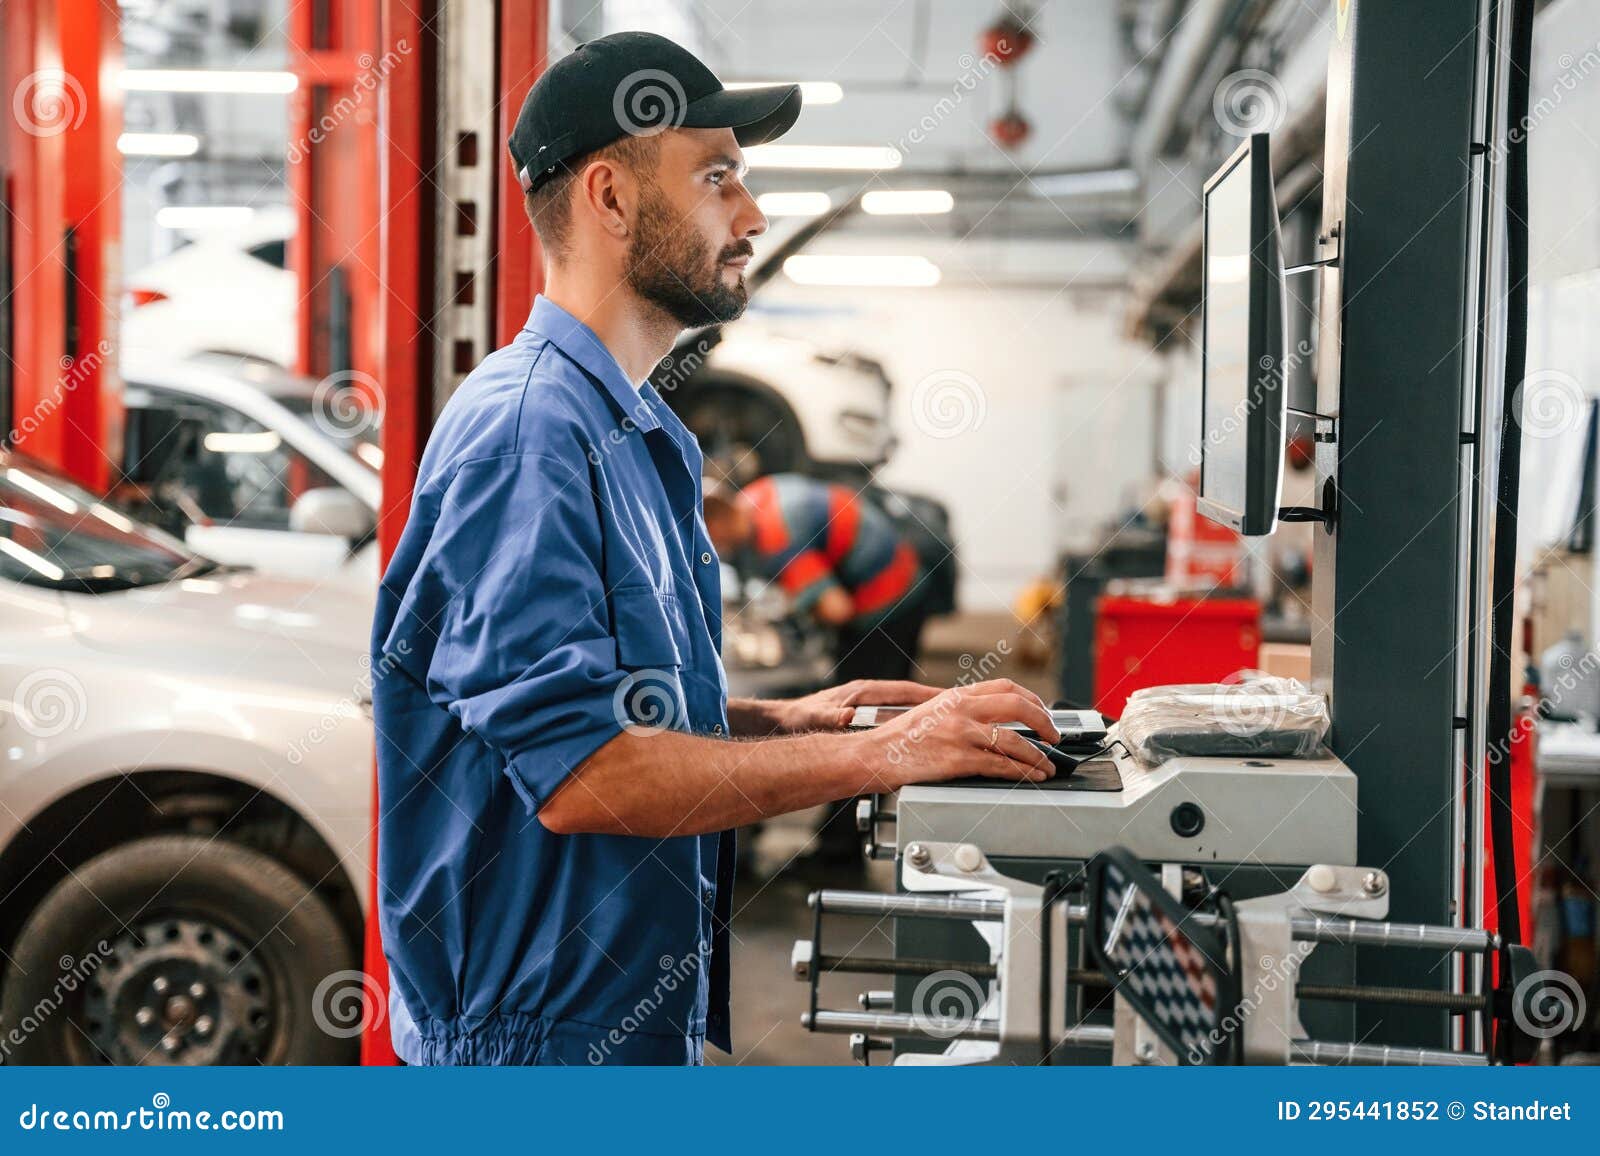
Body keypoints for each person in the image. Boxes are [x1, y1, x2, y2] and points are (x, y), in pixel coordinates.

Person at [370, 30, 1061, 1068]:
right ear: (608, 197)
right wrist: (881, 755)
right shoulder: (528, 434)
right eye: (719, 178)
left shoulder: (647, 440)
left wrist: (787, 719)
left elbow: (620, 712)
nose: (751, 214)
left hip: (629, 1025)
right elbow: (586, 774)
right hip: (536, 1054)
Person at [703, 474, 929, 683]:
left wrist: (793, 606)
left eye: (705, 538)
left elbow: (837, 609)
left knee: (866, 701)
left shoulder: (777, 538)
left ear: (715, 525)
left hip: (888, 597)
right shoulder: (755, 494)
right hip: (903, 565)